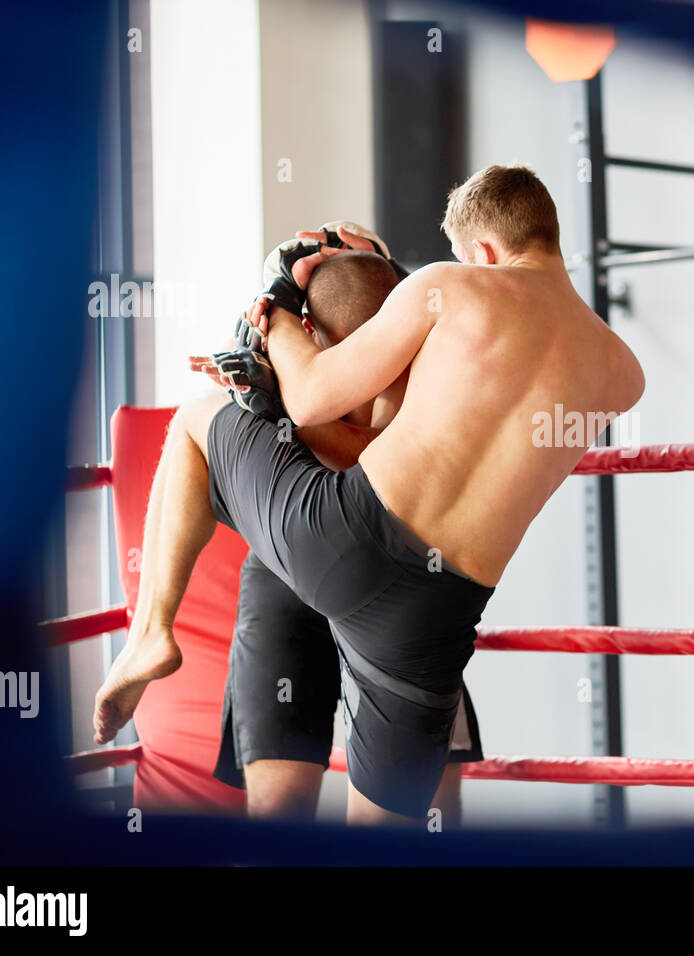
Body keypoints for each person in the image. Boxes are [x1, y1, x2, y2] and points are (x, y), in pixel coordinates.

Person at [92, 164, 646, 824]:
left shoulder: (450, 289)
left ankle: (150, 635)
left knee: (196, 417)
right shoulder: (622, 371)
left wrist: (275, 299)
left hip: (349, 537)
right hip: (438, 616)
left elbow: (311, 394)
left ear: (483, 254)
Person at [210, 226, 484, 822]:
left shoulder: (428, 360)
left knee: (430, 808)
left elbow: (378, 456)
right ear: (310, 328)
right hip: (291, 565)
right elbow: (209, 440)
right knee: (278, 805)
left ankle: (148, 637)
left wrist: (276, 402)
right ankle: (148, 638)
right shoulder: (276, 350)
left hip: (400, 571)